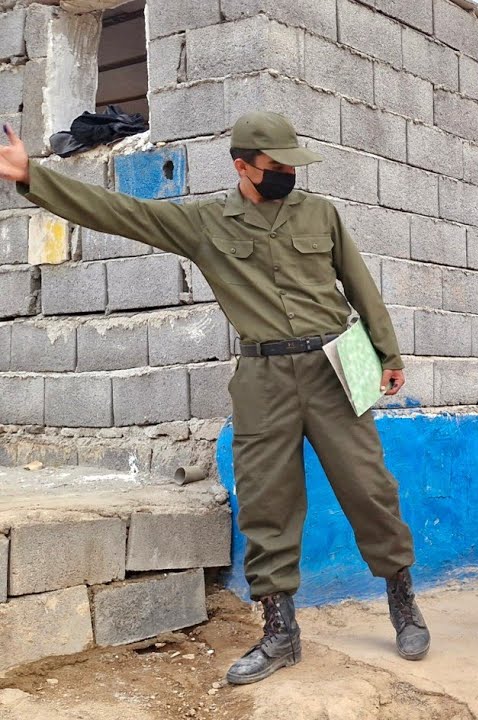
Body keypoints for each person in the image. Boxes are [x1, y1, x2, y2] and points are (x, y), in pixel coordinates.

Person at [0, 114, 430, 685]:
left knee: (370, 488)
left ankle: (402, 602)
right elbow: (123, 214)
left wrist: (388, 354)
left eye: (290, 166)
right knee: (265, 504)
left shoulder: (320, 214)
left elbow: (359, 284)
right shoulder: (205, 222)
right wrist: (33, 178)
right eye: (275, 167)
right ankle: (280, 633)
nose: (286, 175)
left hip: (334, 369)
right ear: (243, 166)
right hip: (263, 379)